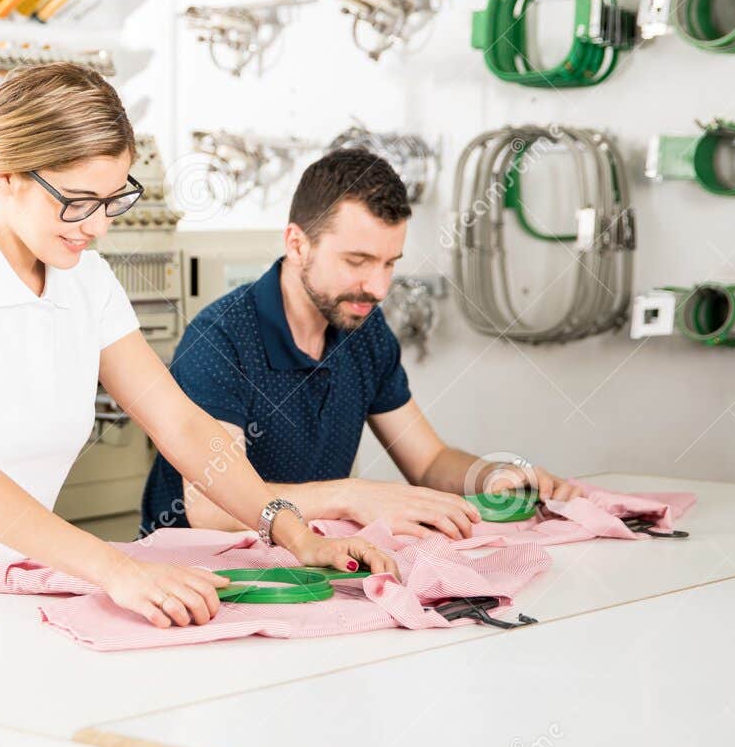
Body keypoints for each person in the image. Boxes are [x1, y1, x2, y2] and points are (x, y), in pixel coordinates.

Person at [0, 64, 392, 627]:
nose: (98, 225)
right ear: (6, 174)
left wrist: (295, 533)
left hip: (16, 587)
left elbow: (181, 426)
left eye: (111, 200)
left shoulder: (88, 280)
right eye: (77, 201)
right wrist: (115, 569)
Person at [140, 148, 578, 540]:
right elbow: (213, 509)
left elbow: (428, 462)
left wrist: (492, 476)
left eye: (390, 263)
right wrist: (351, 497)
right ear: (297, 244)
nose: (379, 286)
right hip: (201, 576)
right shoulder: (220, 340)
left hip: (311, 565)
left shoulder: (363, 329)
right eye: (358, 261)